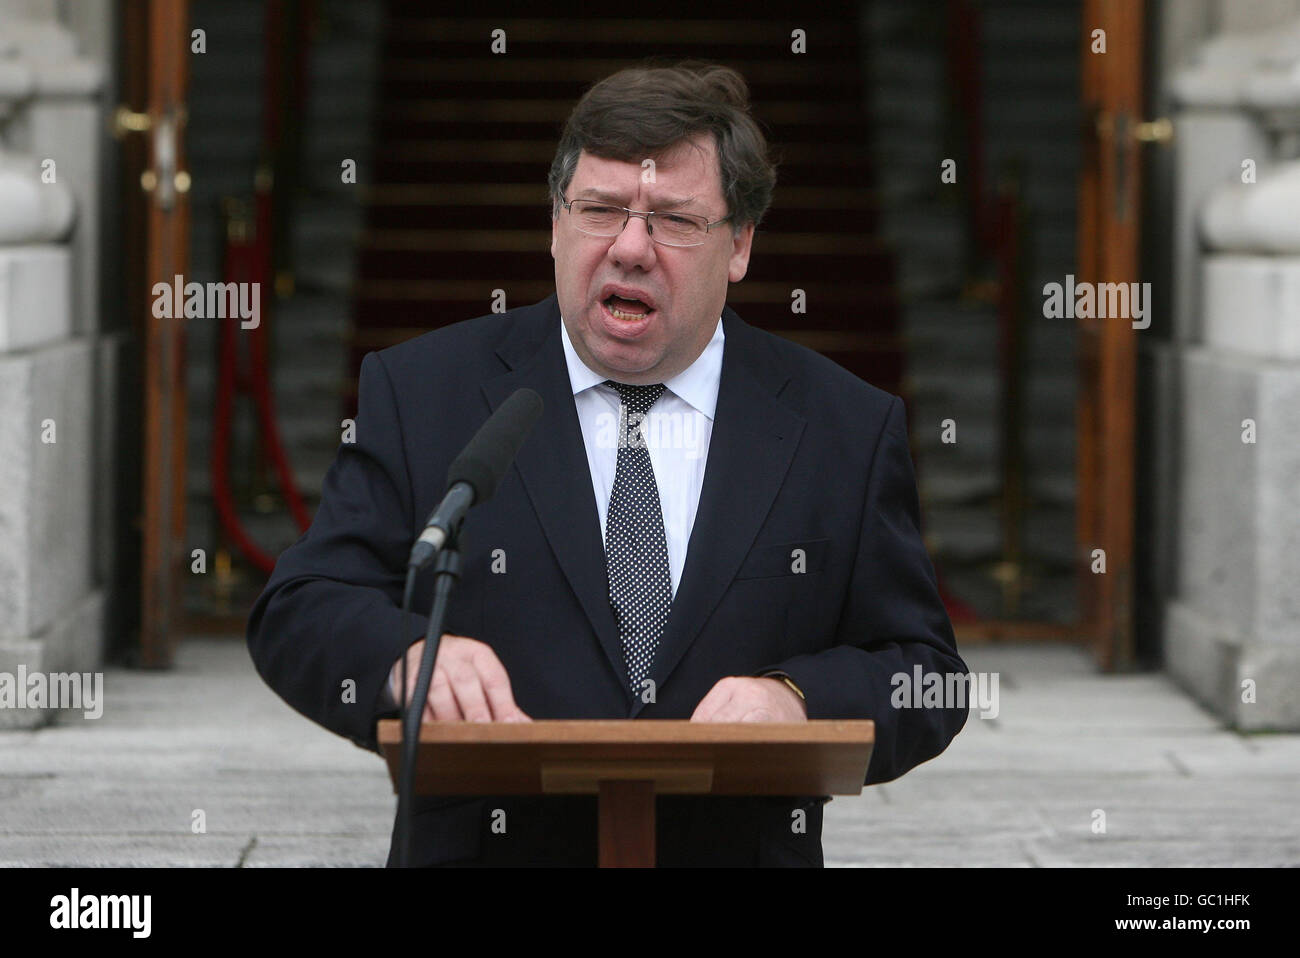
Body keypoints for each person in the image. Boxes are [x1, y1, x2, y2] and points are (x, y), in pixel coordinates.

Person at [246, 61, 969, 867]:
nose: (630, 248)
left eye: (673, 221)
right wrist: (405, 657)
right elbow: (301, 607)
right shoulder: (424, 393)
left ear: (739, 245)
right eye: (599, 212)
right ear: (555, 225)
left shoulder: (844, 427)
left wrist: (797, 699)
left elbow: (927, 674)